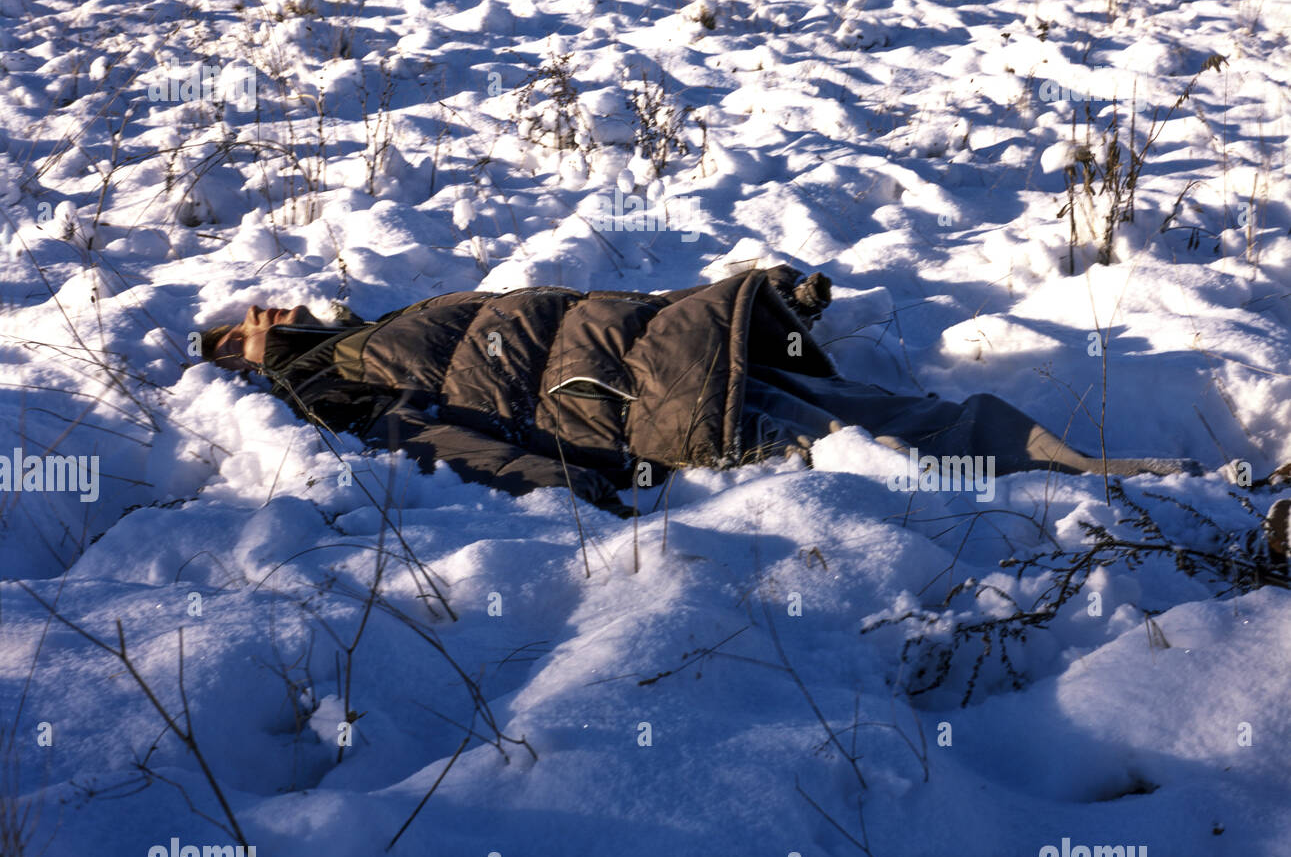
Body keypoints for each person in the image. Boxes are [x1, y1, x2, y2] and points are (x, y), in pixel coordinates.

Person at [200, 265, 1206, 518]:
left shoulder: (364, 328)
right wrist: (563, 481)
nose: (262, 306)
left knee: (922, 421)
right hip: (650, 405)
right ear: (248, 359)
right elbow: (434, 440)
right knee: (891, 459)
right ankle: (1158, 513)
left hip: (684, 345)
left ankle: (1165, 482)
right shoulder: (330, 382)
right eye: (240, 326)